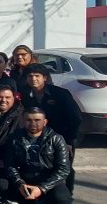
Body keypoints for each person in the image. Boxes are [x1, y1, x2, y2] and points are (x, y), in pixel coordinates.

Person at [19, 63, 81, 193]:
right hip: (37, 137)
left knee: (63, 167)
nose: (33, 79)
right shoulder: (24, 95)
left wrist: (69, 141)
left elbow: (75, 118)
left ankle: (65, 196)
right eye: (30, 76)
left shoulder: (60, 94)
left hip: (62, 136)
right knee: (42, 165)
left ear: (45, 78)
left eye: (37, 76)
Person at [5, 107, 74, 204]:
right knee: (2, 185)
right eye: (28, 120)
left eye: (37, 120)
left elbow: (63, 169)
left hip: (48, 179)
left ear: (45, 122)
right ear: (23, 121)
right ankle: (27, 203)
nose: (33, 123)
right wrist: (19, 183)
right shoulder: (15, 138)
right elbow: (9, 164)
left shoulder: (56, 139)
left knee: (61, 198)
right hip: (26, 177)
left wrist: (42, 188)